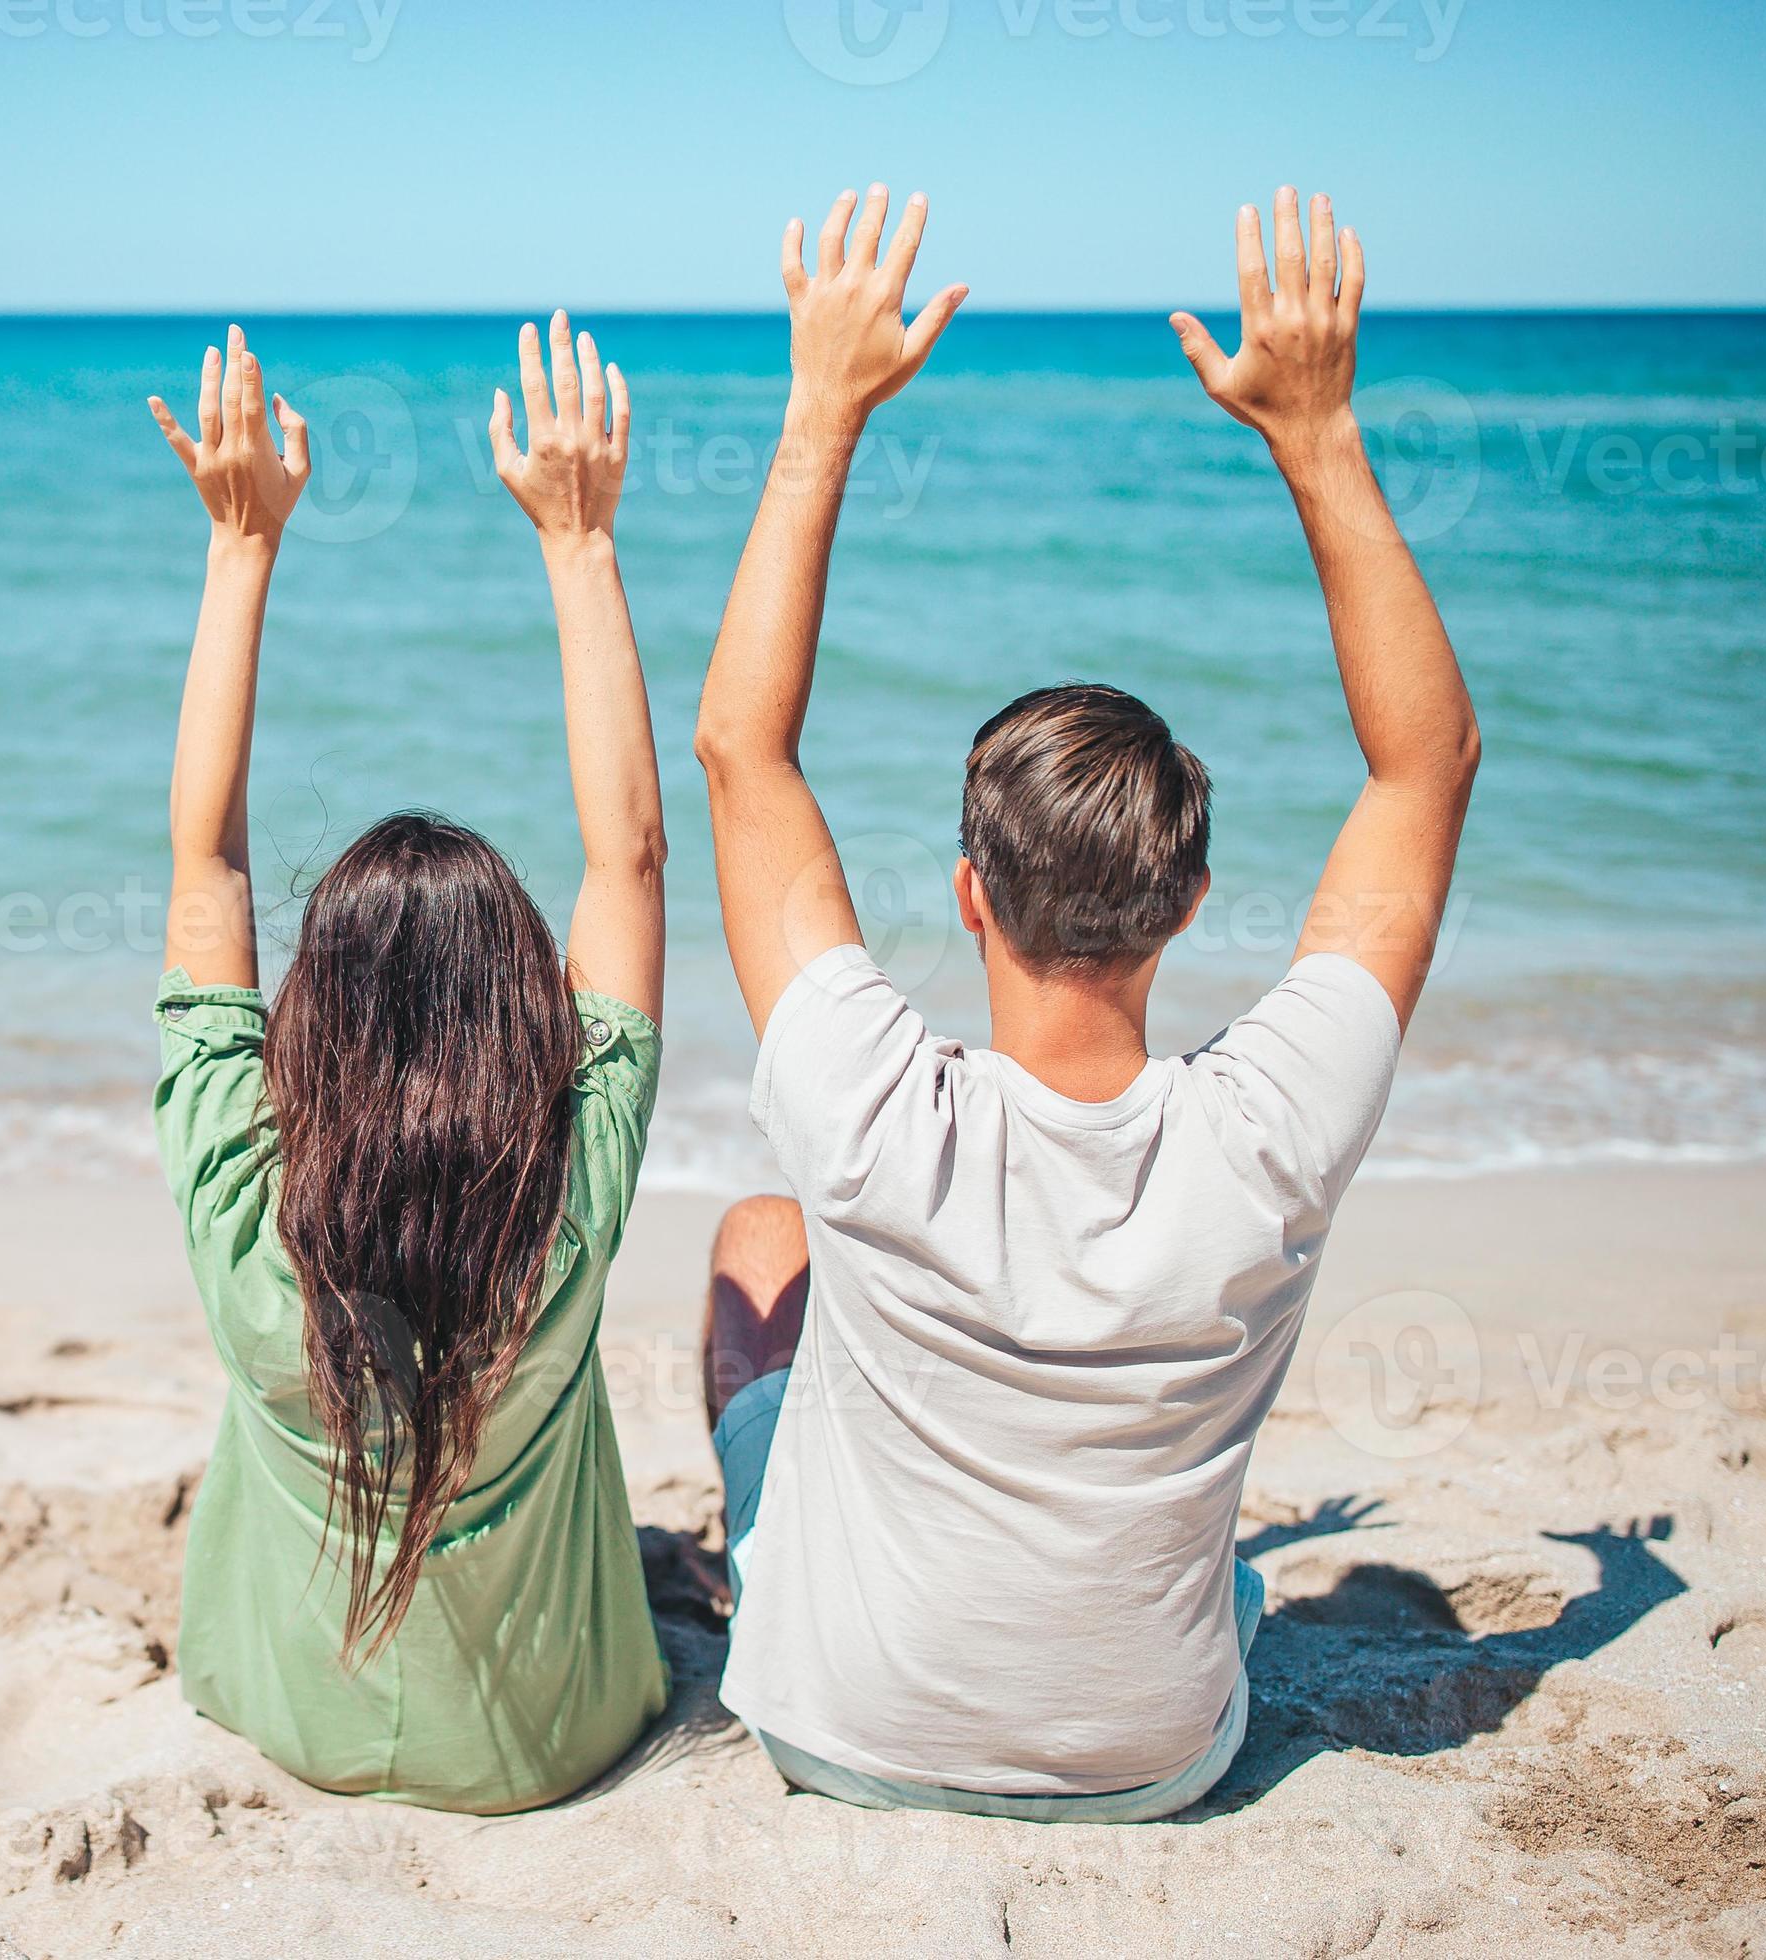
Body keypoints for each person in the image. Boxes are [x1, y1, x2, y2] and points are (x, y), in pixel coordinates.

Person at [691, 185, 1481, 1820]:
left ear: (969, 892)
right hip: (1158, 1767)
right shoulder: (1272, 1131)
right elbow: (1427, 764)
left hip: (832, 1734)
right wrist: (1318, 434)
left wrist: (822, 408)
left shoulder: (867, 1108)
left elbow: (741, 750)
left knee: (763, 1244)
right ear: (1190, 904)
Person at [146, 318, 671, 1812]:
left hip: (278, 1721)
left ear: (311, 1021)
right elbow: (627, 862)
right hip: (555, 1752)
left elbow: (207, 863)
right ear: (533, 1032)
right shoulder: (564, 1202)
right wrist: (581, 545)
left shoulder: (247, 1225)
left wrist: (241, 548)